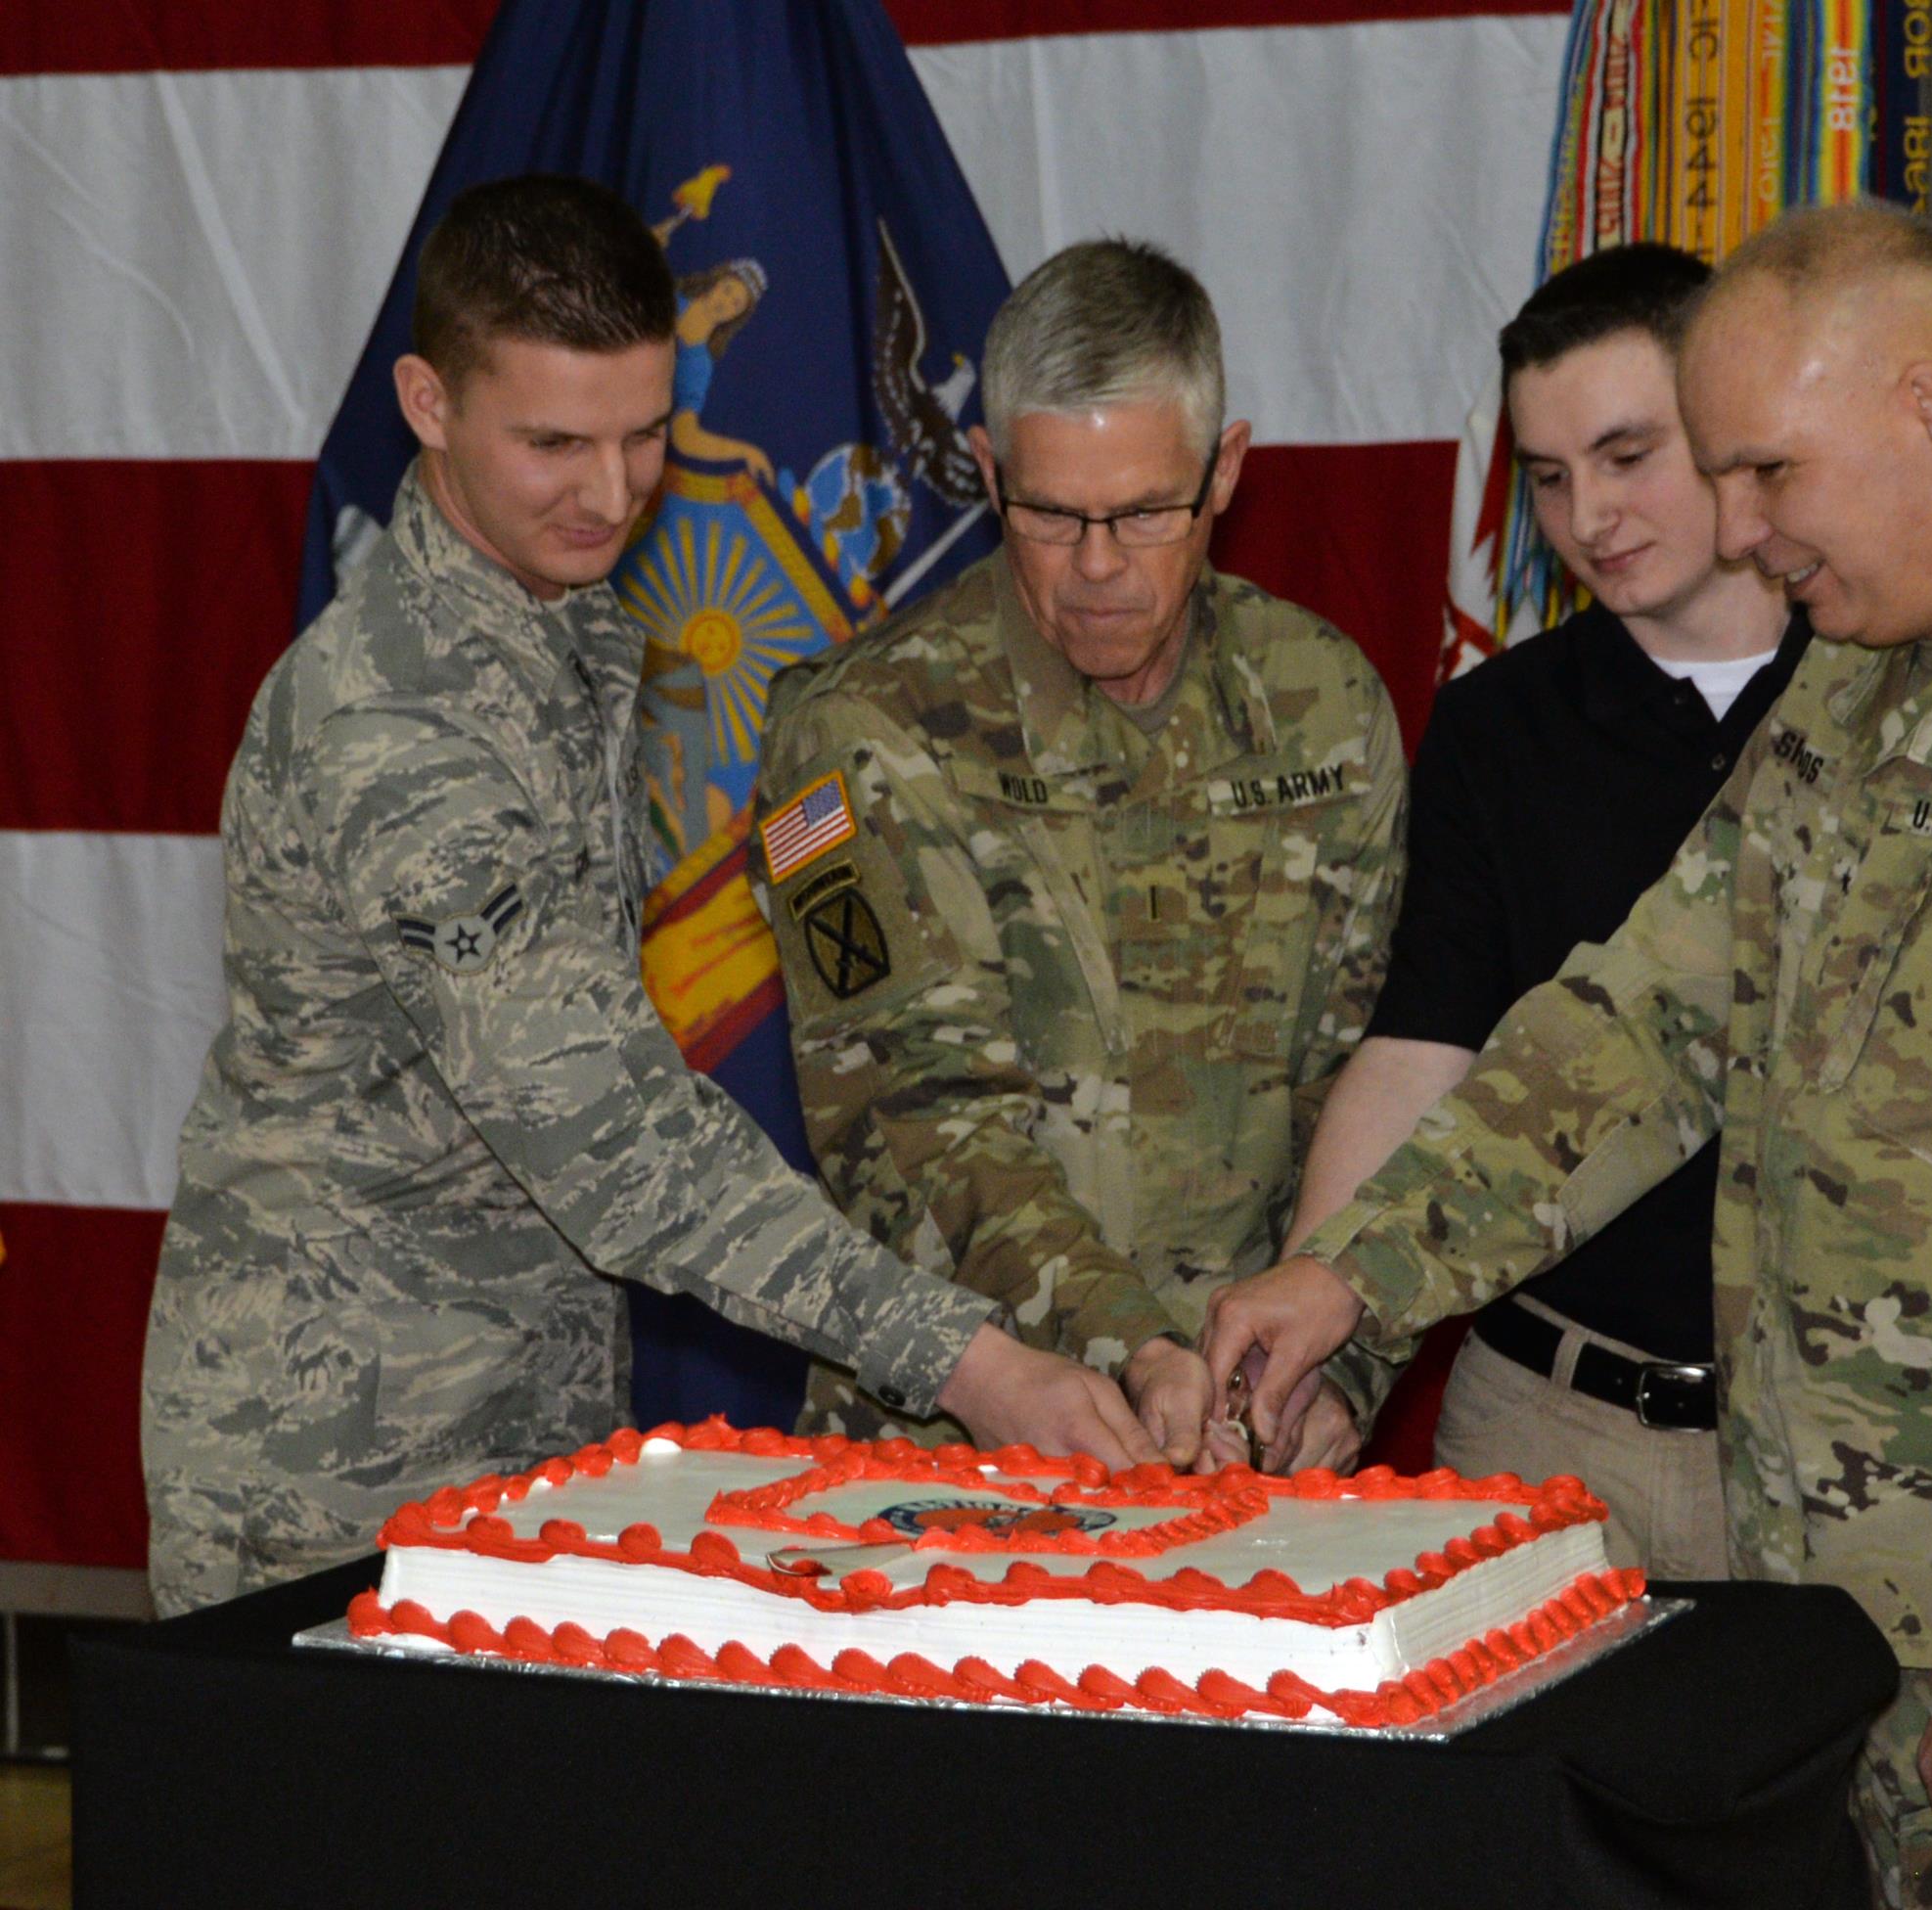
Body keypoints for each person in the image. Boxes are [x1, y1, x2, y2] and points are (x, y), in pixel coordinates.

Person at [1204, 201, 1932, 1908]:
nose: (1737, 535)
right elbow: (1647, 1020)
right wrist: (1357, 1276)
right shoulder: (1863, 679)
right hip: (1849, 1611)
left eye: (1768, 475)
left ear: (1929, 417)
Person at [143, 176, 1159, 1619]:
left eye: (642, 434)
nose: (611, 492)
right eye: (552, 441)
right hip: (334, 1468)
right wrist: (967, 1359)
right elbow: (618, 1143)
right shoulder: (402, 723)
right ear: (427, 403)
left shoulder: (553, 632)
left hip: (521, 1433)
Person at [752, 237, 1405, 1474]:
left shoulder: (1321, 701)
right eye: (1049, 512)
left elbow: (1369, 1073)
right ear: (988, 471)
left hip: (1246, 1450)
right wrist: (1132, 1346)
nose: (1097, 565)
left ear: (1226, 469)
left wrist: (1339, 1362)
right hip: (958, 1453)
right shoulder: (857, 729)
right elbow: (912, 1118)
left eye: (1146, 512)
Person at [1281, 244, 1803, 1576]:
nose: (1590, 518)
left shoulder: (1874, 691)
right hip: (1548, 1423)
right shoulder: (1495, 726)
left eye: (1628, 456)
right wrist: (1318, 1315)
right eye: (1552, 479)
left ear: (1735, 431)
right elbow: (1422, 1047)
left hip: (1835, 1451)